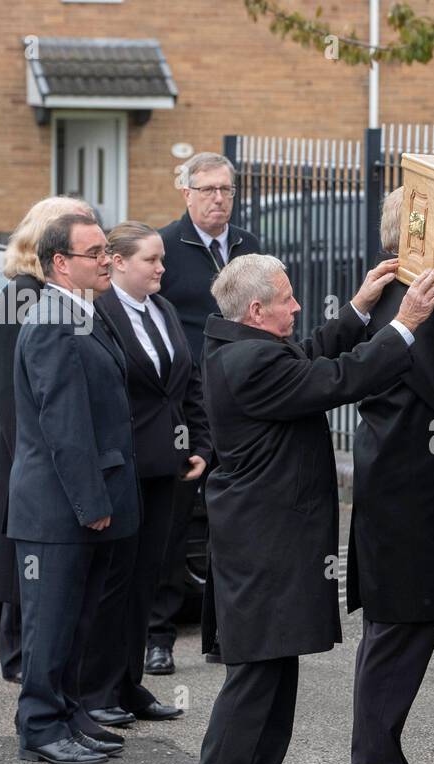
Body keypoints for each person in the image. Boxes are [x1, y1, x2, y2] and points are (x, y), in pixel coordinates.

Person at [178, 254, 434, 764]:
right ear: (256, 310)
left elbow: (310, 352)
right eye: (287, 300)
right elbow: (340, 378)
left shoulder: (245, 345)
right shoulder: (250, 360)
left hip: (271, 536)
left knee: (277, 666)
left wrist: (360, 307)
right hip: (262, 540)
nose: (298, 308)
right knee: (253, 674)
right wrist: (406, 322)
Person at [346, 187, 434, 764]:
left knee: (391, 645)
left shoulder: (403, 299)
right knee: (395, 647)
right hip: (408, 510)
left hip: (397, 503)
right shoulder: (413, 308)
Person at [8, 212, 140, 764]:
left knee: (80, 619)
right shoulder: (50, 322)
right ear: (60, 263)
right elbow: (64, 427)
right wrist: (91, 504)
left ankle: (68, 711)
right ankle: (39, 724)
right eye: (96, 253)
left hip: (84, 500)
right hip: (57, 506)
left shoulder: (85, 312)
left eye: (108, 250)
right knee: (52, 620)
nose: (107, 260)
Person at [79, 221, 210, 726]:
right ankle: (95, 690)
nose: (162, 268)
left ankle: (129, 684)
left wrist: (200, 444)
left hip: (167, 471)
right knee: (113, 580)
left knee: (148, 579)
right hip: (123, 468)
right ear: (116, 262)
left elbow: (188, 384)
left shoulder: (164, 309)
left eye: (161, 259)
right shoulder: (97, 314)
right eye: (152, 260)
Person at [0, 195, 93, 685]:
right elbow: (10, 390)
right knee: (27, 554)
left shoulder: (58, 295)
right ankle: (21, 658)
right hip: (23, 443)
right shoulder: (22, 295)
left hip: (38, 445)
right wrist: (34, 466)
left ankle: (33, 658)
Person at [149, 152, 262, 674]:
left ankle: (224, 633)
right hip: (184, 407)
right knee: (172, 528)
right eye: (208, 190)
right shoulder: (166, 250)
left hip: (238, 403)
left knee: (234, 526)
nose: (219, 199)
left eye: (227, 190)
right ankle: (157, 636)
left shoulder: (246, 247)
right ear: (187, 194)